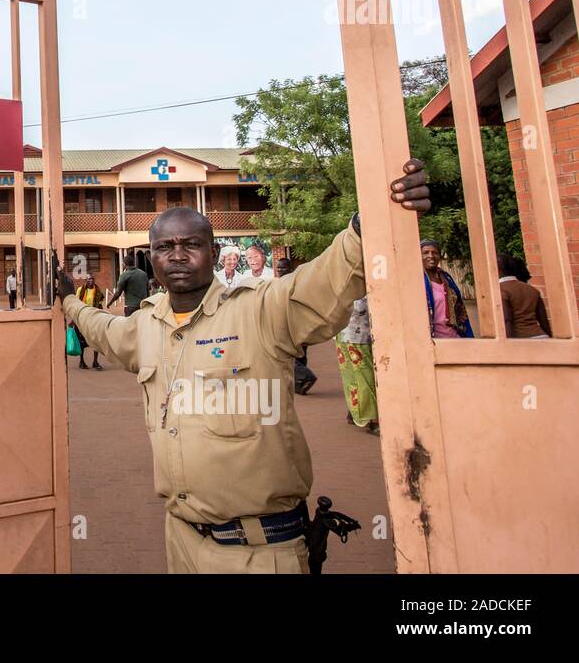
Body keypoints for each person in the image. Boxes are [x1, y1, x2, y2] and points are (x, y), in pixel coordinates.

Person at [55, 158, 431, 573]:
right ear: (151, 257)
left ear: (213, 253)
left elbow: (326, 279)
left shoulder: (261, 308)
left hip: (257, 552)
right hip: (181, 540)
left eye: (191, 245)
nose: (177, 256)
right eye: (165, 247)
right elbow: (102, 328)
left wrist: (373, 220)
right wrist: (70, 299)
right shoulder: (146, 324)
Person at [275, 257, 319, 396]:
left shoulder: (295, 283)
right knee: (297, 354)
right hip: (287, 323)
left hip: (296, 323)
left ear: (290, 268)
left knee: (296, 354)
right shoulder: (278, 284)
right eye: (279, 268)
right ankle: (299, 383)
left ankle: (305, 377)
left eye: (283, 268)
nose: (280, 270)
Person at [337, 297, 379, 435]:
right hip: (356, 333)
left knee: (355, 376)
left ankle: (355, 411)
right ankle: (371, 419)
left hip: (348, 331)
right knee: (364, 376)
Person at [420, 239, 473, 338]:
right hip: (434, 342)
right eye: (425, 253)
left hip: (456, 337)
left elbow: (460, 307)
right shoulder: (417, 281)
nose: (431, 256)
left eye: (435, 253)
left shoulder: (446, 278)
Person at [498, 254, 551, 339]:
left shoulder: (500, 290)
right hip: (542, 337)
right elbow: (543, 321)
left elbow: (507, 319)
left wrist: (508, 344)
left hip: (521, 341)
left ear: (497, 270)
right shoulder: (532, 289)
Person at [75, 275, 104, 371]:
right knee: (82, 341)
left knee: (96, 340)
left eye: (92, 279)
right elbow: (77, 304)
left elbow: (99, 304)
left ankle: (95, 362)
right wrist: (74, 318)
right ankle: (81, 361)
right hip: (83, 317)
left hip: (94, 317)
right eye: (88, 279)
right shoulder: (80, 290)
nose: (90, 281)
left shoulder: (98, 290)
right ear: (85, 281)